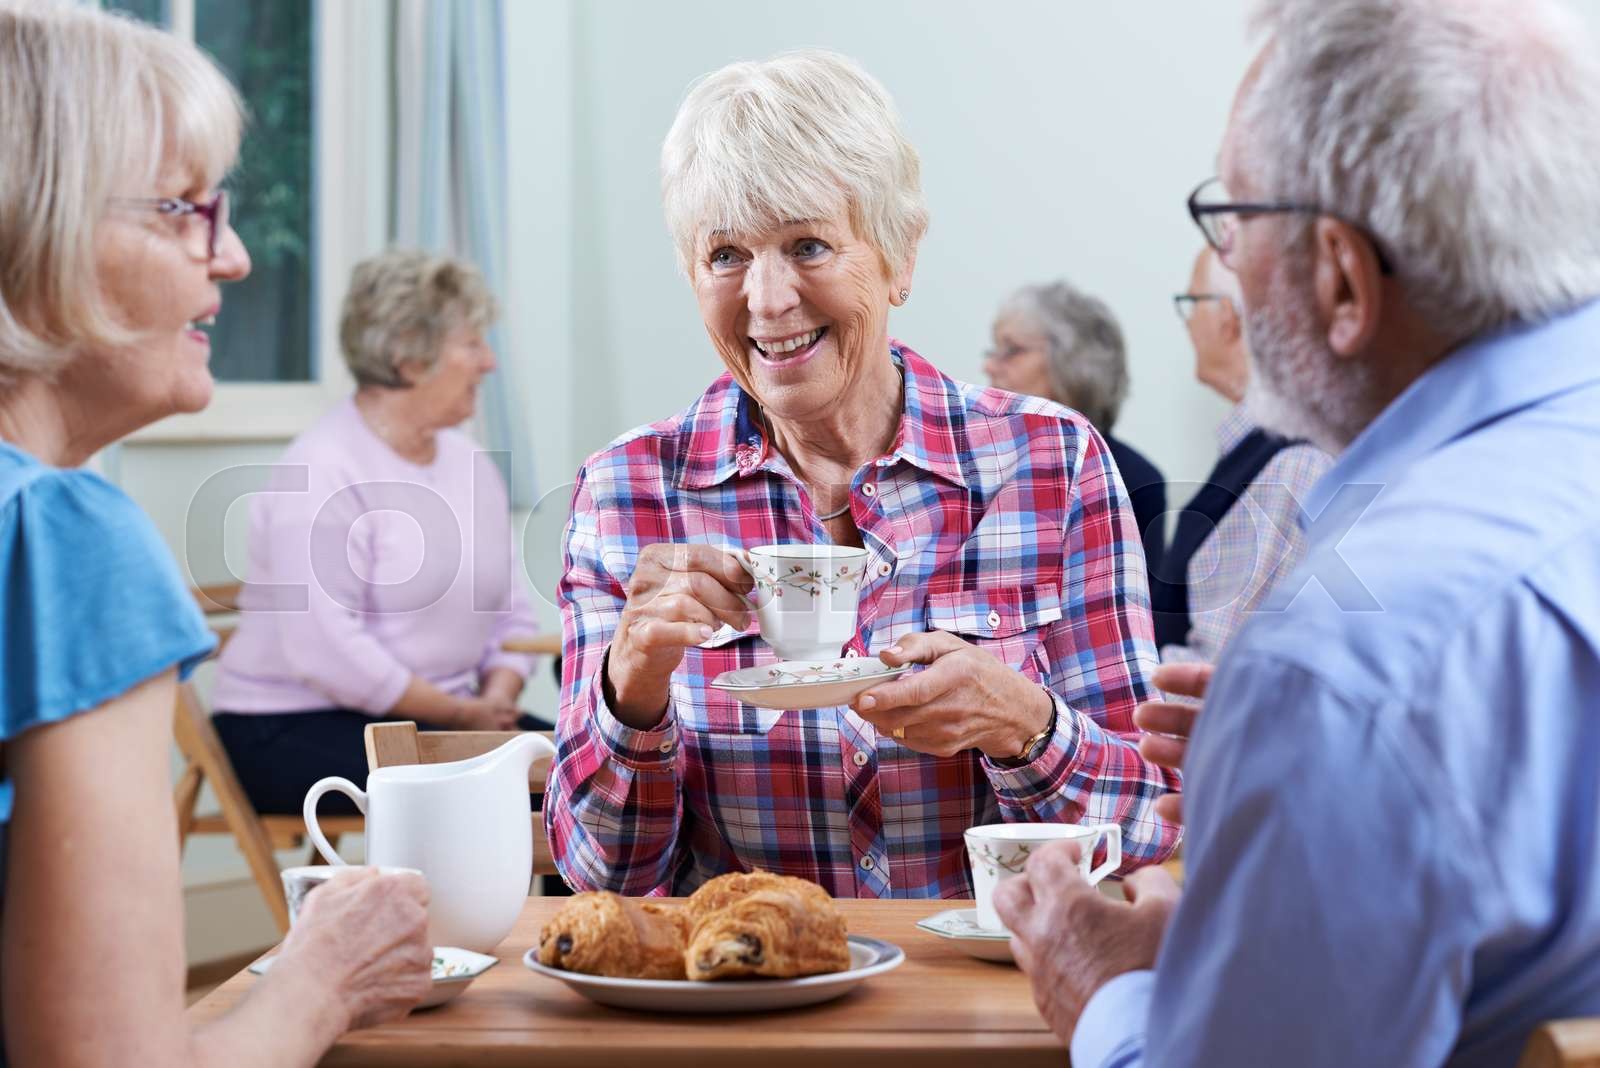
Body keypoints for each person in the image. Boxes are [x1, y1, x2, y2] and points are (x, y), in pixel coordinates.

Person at [994, 0, 1600, 1064]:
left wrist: (1096, 987)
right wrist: (1307, 808)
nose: (1221, 263)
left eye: (1230, 215)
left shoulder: (1339, 667)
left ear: (1340, 278)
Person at [545, 50, 1180, 899]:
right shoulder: (626, 494)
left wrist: (1026, 728)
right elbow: (601, 873)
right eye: (726, 255)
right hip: (741, 1004)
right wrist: (630, 696)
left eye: (808, 244)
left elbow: (1146, 825)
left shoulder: (1052, 464)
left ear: (898, 256)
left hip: (991, 1014)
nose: (767, 300)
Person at [0, 6, 431, 1064]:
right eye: (185, 209)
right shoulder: (60, 537)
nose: (233, 256)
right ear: (36, 227)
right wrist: (324, 975)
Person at [211, 249, 541, 816]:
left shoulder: (471, 464)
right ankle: (486, 910)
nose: (488, 363)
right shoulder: (320, 469)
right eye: (471, 344)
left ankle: (581, 912)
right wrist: (462, 718)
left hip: (444, 717)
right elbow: (326, 651)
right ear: (410, 358)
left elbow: (512, 614)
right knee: (485, 785)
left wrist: (496, 696)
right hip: (290, 724)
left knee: (590, 771)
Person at [1152, 249, 1331, 665]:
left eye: (1191, 303)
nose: (1188, 323)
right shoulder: (1257, 450)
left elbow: (1215, 668)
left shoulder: (1293, 463)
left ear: (1227, 317)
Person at [986, 281, 1167, 574]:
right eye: (993, 350)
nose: (990, 367)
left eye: (1011, 350)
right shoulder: (979, 464)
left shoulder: (1134, 481)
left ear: (1073, 365)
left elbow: (1143, 612)